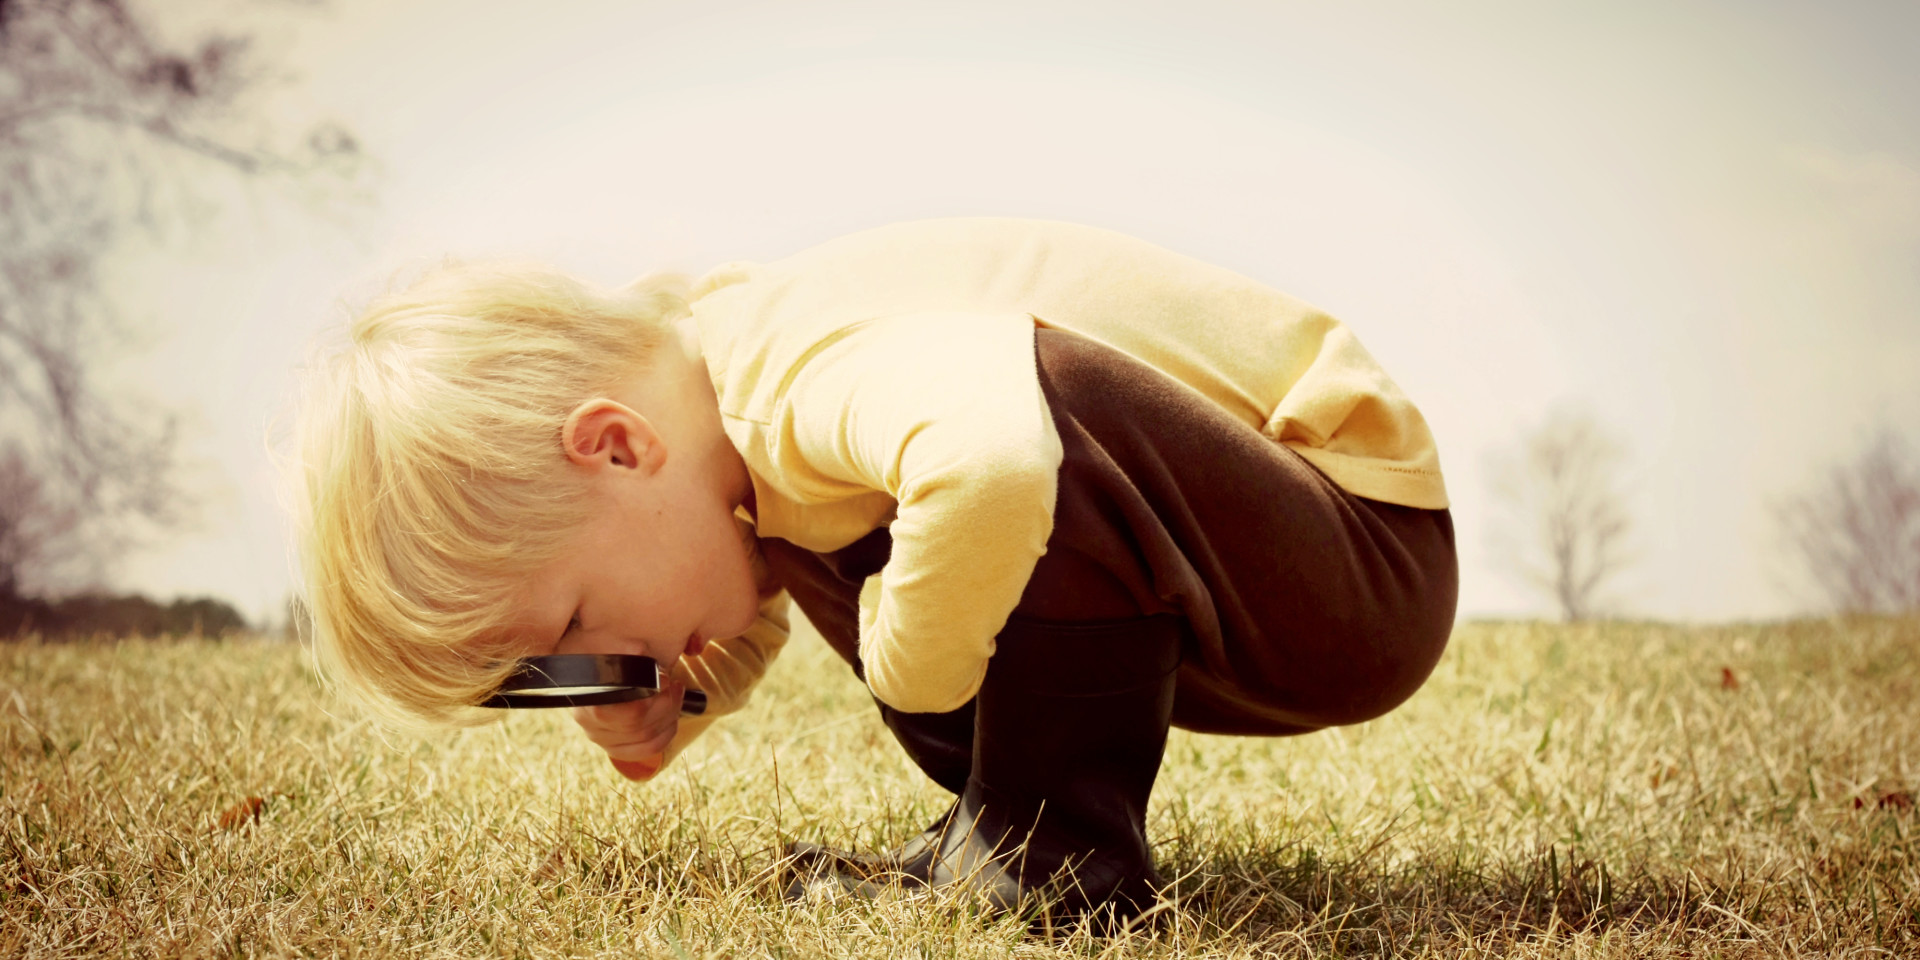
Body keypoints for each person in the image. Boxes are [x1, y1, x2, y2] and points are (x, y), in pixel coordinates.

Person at [291, 217, 1458, 922]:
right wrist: (669, 699)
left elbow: (996, 465)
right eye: (564, 673)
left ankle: (1052, 861)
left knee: (1012, 437)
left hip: (1354, 551)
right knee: (853, 524)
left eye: (575, 630)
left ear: (616, 446)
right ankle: (1009, 826)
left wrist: (912, 671)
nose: (595, 665)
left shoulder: (791, 374)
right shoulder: (728, 416)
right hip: (1257, 563)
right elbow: (752, 572)